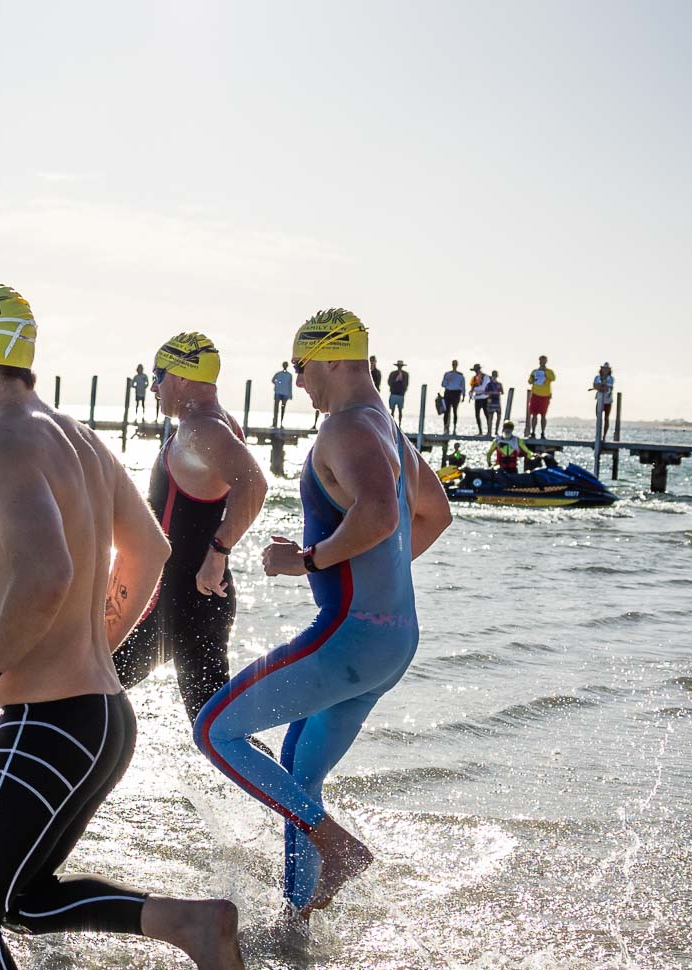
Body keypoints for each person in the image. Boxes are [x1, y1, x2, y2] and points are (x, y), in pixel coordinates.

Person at [0, 284, 244, 970]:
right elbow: (152, 547)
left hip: (47, 721)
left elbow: (48, 572)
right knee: (23, 902)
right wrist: (96, 639)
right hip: (100, 719)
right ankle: (191, 924)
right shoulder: (74, 435)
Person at [194, 309, 452, 916]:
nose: (300, 382)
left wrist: (308, 561)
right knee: (297, 770)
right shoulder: (385, 428)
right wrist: (376, 573)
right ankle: (299, 917)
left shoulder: (347, 429)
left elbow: (381, 518)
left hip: (350, 638)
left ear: (334, 360)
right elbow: (434, 513)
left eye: (302, 368)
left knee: (216, 731)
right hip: (392, 642)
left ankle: (334, 845)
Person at [114, 332, 267, 722]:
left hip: (182, 602)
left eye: (158, 375)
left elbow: (253, 483)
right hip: (185, 599)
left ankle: (284, 786)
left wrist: (218, 552)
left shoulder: (203, 429)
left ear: (181, 378)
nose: (153, 385)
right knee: (214, 729)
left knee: (87, 688)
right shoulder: (213, 423)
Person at [527, 355, 556, 438]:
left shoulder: (549, 371)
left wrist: (545, 372)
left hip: (545, 396)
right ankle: (533, 433)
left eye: (544, 360)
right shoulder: (534, 371)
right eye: (541, 360)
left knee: (543, 415)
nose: (542, 362)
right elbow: (529, 381)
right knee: (534, 414)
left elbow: (553, 378)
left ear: (546, 361)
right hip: (535, 394)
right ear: (539, 361)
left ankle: (543, 433)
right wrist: (532, 379)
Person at [440, 360, 466, 436]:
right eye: (453, 364)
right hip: (448, 392)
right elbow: (443, 384)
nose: (454, 365)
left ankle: (454, 428)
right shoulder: (447, 374)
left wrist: (463, 395)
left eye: (455, 364)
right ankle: (445, 428)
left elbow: (463, 386)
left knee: (455, 411)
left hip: (456, 393)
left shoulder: (460, 375)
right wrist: (447, 380)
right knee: (446, 411)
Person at [592, 362, 615, 441]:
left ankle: (604, 436)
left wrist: (600, 386)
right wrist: (601, 386)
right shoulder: (597, 377)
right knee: (598, 417)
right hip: (600, 399)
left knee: (606, 418)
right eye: (604, 368)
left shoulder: (611, 378)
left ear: (609, 370)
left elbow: (606, 387)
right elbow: (595, 386)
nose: (605, 370)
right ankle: (598, 435)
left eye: (607, 369)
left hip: (607, 400)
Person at [385, 360, 409, 425]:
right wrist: (396, 380)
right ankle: (392, 424)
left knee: (400, 410)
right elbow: (389, 383)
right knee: (392, 411)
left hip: (401, 394)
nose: (399, 367)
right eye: (399, 366)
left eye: (400, 366)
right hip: (393, 393)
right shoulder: (393, 373)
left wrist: (401, 380)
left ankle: (399, 424)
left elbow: (406, 384)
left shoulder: (405, 374)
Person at [469, 363, 490, 435]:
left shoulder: (486, 377)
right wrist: (471, 394)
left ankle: (489, 431)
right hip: (477, 398)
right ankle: (480, 431)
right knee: (477, 415)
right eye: (475, 370)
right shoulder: (474, 378)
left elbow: (484, 387)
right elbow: (472, 388)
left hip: (484, 398)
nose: (476, 371)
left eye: (477, 370)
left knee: (487, 415)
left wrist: (476, 389)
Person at [272, 361, 294, 427]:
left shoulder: (289, 375)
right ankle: (275, 423)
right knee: (276, 408)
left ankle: (281, 423)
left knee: (283, 408)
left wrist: (290, 394)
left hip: (285, 393)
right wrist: (277, 384)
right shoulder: (278, 374)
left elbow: (290, 385)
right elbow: (273, 380)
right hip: (278, 392)